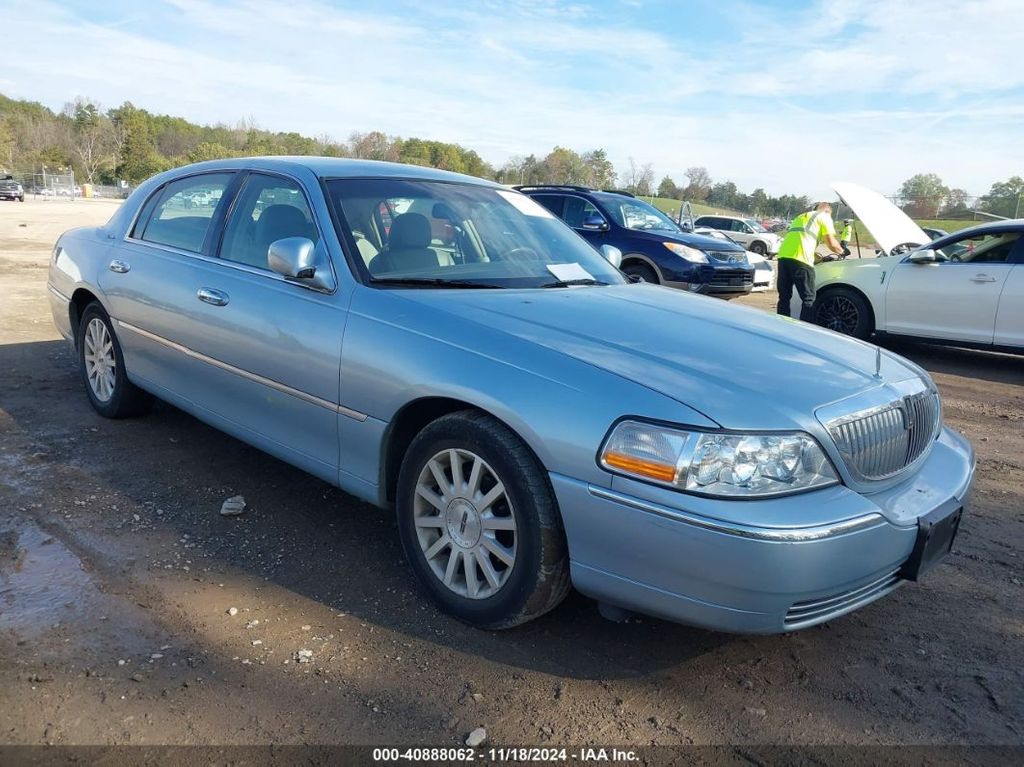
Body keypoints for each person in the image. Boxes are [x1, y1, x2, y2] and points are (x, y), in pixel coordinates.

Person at [776, 202, 844, 321]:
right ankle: (805, 331)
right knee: (808, 299)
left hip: (783, 257)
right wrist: (842, 251)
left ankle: (781, 326)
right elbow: (832, 243)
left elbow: (801, 239)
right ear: (828, 212)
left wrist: (818, 258)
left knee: (784, 297)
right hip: (801, 259)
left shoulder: (801, 216)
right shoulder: (824, 217)